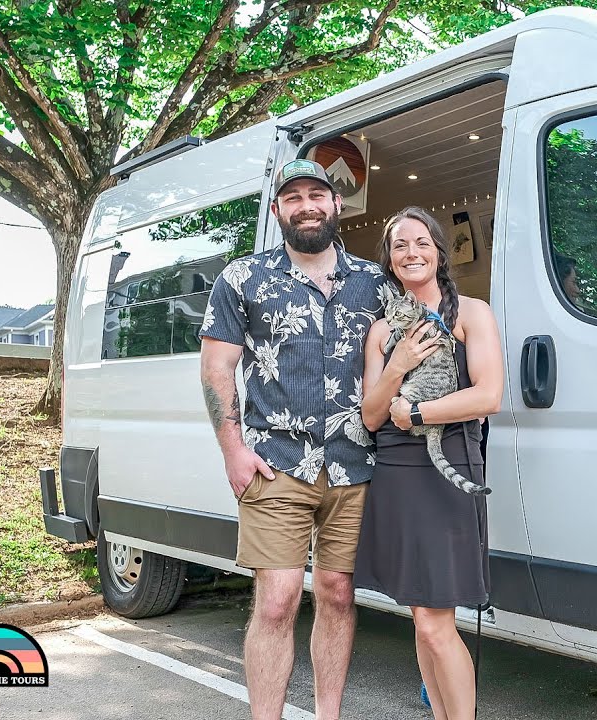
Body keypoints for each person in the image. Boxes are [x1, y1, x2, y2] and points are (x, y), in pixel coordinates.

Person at [198, 158, 386, 720]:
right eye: (293, 197)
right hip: (275, 462)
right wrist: (233, 450)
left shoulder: (375, 282)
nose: (306, 205)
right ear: (277, 209)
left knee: (336, 592)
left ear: (336, 205)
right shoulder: (243, 278)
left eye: (317, 194)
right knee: (277, 601)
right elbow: (216, 369)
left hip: (355, 463)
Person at [355, 206, 504, 720]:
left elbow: (489, 396)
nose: (411, 252)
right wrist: (397, 366)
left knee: (438, 623)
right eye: (400, 246)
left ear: (439, 251)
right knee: (422, 617)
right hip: (395, 475)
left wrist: (417, 411)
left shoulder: (472, 314)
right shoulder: (380, 331)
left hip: (447, 468)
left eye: (421, 242)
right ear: (390, 261)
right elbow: (371, 417)